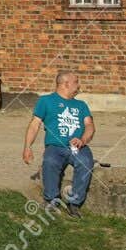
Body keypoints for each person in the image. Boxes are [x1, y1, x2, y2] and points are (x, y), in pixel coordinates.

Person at [23, 69, 96, 218]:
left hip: (77, 147)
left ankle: (74, 203)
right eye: (76, 82)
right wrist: (27, 147)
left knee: (85, 162)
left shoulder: (81, 105)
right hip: (55, 146)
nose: (79, 85)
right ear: (66, 84)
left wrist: (82, 140)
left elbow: (90, 126)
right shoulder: (46, 101)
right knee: (50, 162)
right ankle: (51, 200)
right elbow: (34, 125)